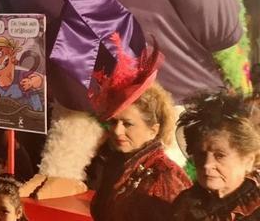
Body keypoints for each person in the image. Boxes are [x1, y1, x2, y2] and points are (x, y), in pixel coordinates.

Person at [90, 83, 190, 221]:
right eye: (113, 122)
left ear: (153, 131)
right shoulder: (116, 162)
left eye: (127, 124)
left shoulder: (164, 176)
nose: (117, 131)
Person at [170, 90, 260, 220]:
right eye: (201, 154)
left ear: (248, 161)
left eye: (220, 155)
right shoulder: (185, 203)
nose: (207, 164)